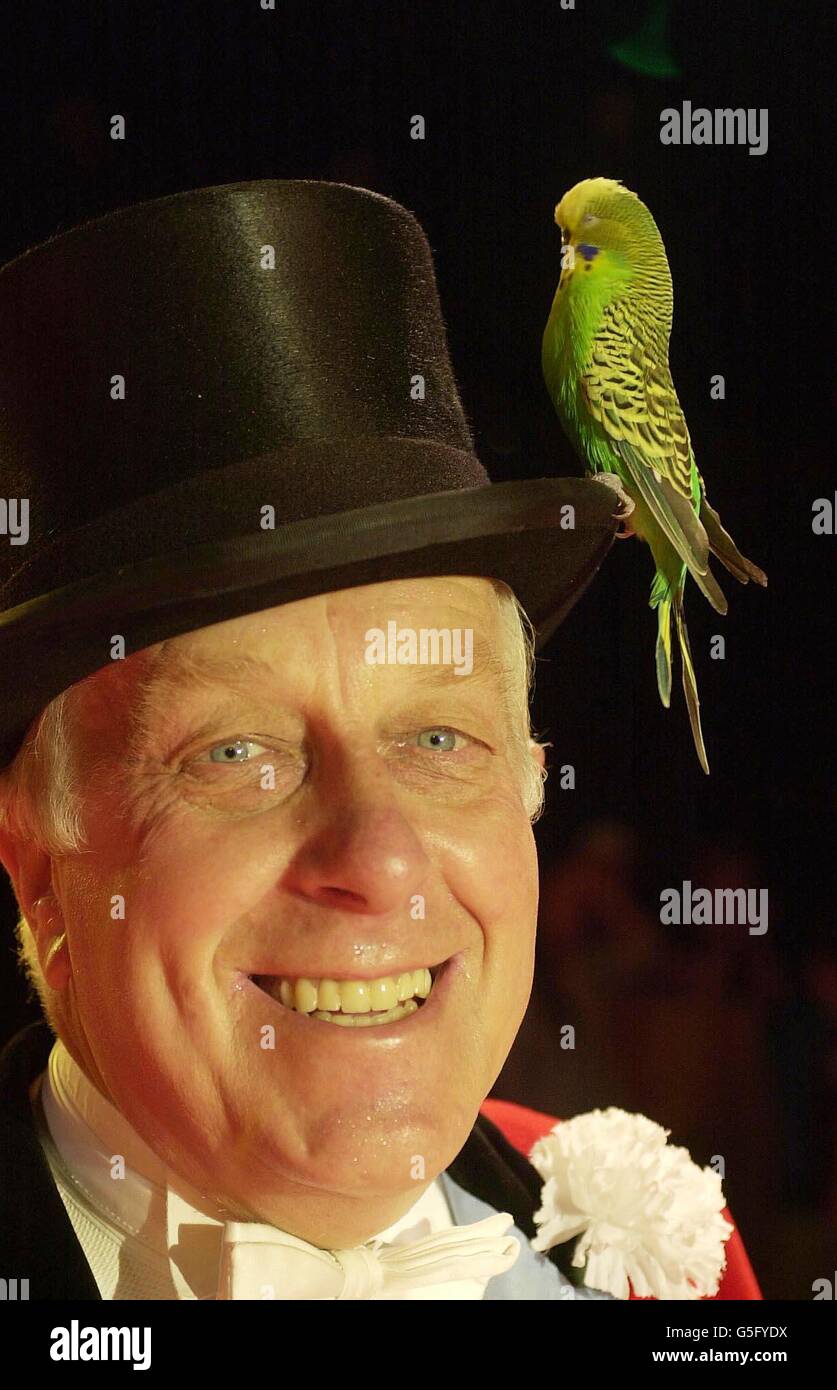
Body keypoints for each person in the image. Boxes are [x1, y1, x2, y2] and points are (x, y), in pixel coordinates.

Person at [0, 179, 759, 1300]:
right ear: (37, 869)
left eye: (440, 738)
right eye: (235, 752)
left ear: (533, 786)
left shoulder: (670, 1267)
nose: (380, 860)